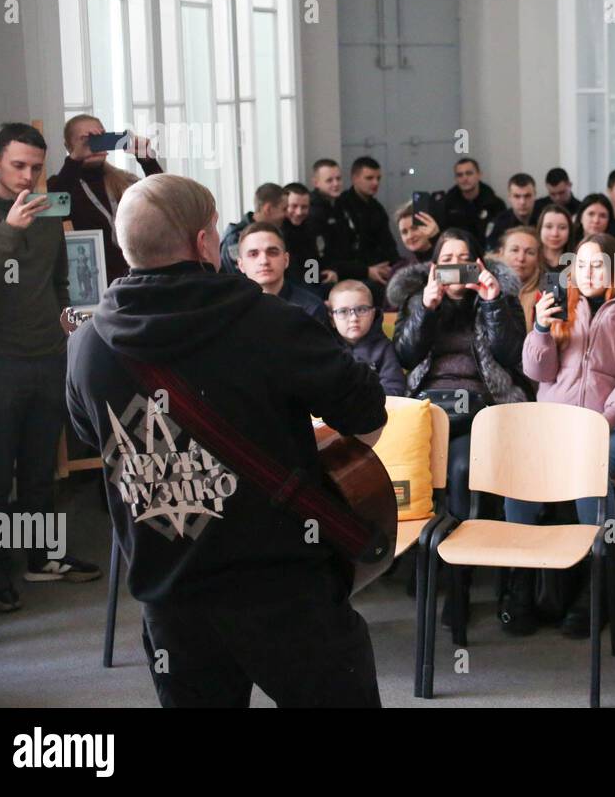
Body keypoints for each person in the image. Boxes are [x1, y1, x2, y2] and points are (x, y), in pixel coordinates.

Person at [65, 173, 388, 707]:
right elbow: (365, 412)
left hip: (169, 596)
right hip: (284, 586)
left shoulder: (86, 342)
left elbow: (90, 435)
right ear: (203, 241)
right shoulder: (269, 322)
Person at [501, 233, 615, 637]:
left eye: (599, 265)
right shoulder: (562, 306)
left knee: (588, 469)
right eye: (582, 265)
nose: (589, 273)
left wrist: (603, 420)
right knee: (519, 472)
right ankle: (521, 584)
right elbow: (536, 372)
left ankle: (597, 588)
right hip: (555, 424)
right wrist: (541, 327)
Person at [0, 122, 100, 612]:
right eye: (18, 165)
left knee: (42, 471)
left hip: (47, 359)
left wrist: (69, 333)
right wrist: (8, 232)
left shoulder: (47, 216)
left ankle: (42, 557)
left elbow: (60, 286)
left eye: (36, 168)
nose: (27, 176)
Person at [389, 229, 529, 522]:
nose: (456, 267)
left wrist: (492, 303)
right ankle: (426, 549)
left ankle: (460, 554)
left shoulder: (501, 297)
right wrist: (427, 309)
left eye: (464, 260)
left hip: (482, 406)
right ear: (434, 267)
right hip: (427, 406)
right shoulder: (418, 299)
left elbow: (511, 355)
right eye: (448, 260)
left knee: (461, 467)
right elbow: (405, 355)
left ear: (479, 264)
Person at [49, 115, 165, 283]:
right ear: (69, 147)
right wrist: (74, 160)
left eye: (99, 138)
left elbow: (164, 199)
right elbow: (52, 209)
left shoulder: (124, 181)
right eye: (85, 140)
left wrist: (147, 160)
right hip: (91, 282)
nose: (92, 145)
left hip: (136, 278)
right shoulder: (62, 184)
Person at [237, 223, 331, 325]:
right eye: (253, 254)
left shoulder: (311, 309)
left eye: (272, 252)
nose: (264, 261)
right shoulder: (234, 310)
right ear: (241, 265)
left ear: (286, 260)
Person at [328, 280, 407, 397]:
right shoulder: (327, 348)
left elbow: (394, 388)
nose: (354, 318)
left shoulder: (384, 348)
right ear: (332, 320)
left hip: (375, 412)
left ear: (372, 314)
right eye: (343, 311)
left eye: (361, 309)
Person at [338, 156, 401, 300]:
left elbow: (388, 244)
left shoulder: (377, 208)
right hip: (355, 272)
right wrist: (366, 271)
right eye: (369, 178)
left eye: (378, 178)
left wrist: (395, 267)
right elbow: (343, 252)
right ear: (354, 178)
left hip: (381, 268)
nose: (375, 183)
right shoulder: (341, 206)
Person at [308, 158, 366, 288]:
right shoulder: (312, 212)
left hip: (345, 270)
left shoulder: (343, 204)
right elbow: (312, 254)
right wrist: (315, 279)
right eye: (329, 180)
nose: (336, 184)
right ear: (316, 182)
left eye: (338, 179)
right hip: (324, 276)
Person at [218, 182, 286, 275]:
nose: (286, 215)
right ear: (268, 209)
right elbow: (240, 279)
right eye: (284, 209)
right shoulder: (235, 239)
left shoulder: (276, 232)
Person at [442, 157, 506, 242]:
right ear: (456, 179)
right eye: (460, 175)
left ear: (479, 175)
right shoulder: (447, 205)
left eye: (469, 173)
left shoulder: (495, 204)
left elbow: (503, 236)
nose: (464, 178)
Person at [496, 226, 543, 329]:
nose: (521, 258)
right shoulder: (485, 291)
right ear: (500, 253)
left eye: (530, 252)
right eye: (514, 250)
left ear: (538, 259)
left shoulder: (545, 294)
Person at [486, 172, 542, 248]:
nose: (522, 202)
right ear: (509, 197)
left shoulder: (545, 219)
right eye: (517, 196)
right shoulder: (499, 224)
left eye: (527, 196)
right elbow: (492, 254)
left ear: (535, 195)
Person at [281, 182, 321, 289]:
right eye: (294, 206)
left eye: (304, 207)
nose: (299, 212)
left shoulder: (310, 227)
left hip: (308, 285)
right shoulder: (278, 232)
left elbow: (312, 262)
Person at [391, 201, 440, 273]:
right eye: (404, 232)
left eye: (414, 228)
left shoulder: (448, 261)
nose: (410, 236)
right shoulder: (398, 270)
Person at [536, 202, 574, 271]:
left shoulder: (578, 263)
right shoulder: (531, 260)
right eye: (548, 226)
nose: (555, 234)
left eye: (562, 227)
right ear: (540, 229)